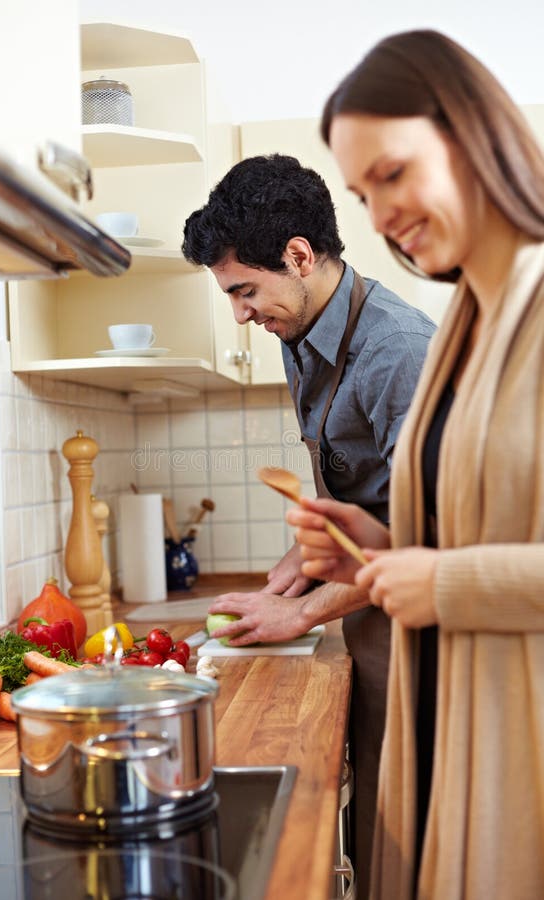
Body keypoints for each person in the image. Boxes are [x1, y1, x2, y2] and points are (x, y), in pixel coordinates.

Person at [289, 29, 544, 900]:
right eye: (364, 193)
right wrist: (374, 537)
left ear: (471, 132)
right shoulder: (466, 324)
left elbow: (465, 571)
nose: (379, 213)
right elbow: (484, 522)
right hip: (449, 727)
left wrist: (446, 584)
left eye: (392, 174)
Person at [182, 153, 436, 899]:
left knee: (406, 839)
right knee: (373, 827)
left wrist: (298, 611)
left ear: (299, 256)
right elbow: (365, 486)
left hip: (422, 638)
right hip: (368, 619)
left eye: (245, 290)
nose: (239, 314)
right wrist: (304, 554)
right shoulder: (303, 332)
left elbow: (428, 536)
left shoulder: (399, 355)